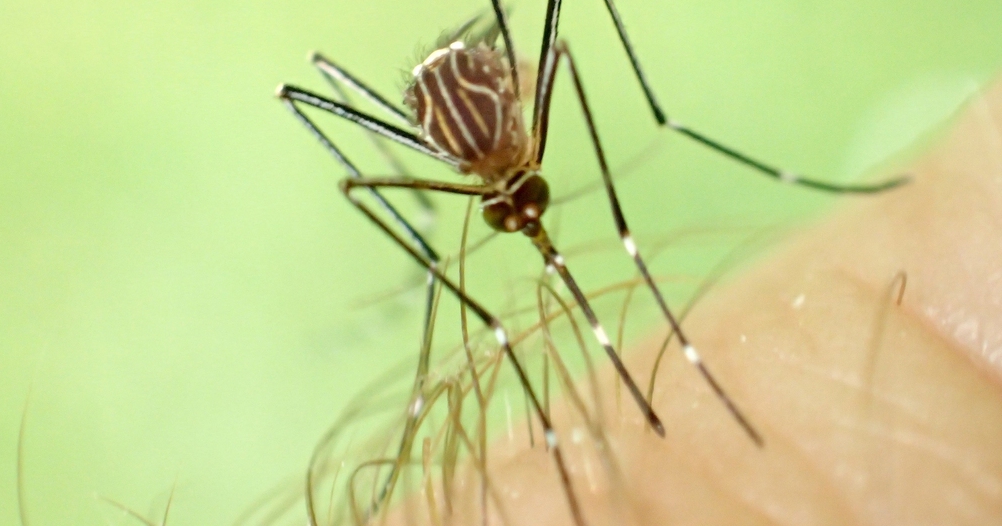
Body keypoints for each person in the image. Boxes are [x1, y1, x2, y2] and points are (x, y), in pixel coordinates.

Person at [386, 78, 1002, 525]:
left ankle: (667, 130)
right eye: (509, 217)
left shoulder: (513, 147)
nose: (530, 225)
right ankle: (427, 234)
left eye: (523, 209)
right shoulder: (495, 162)